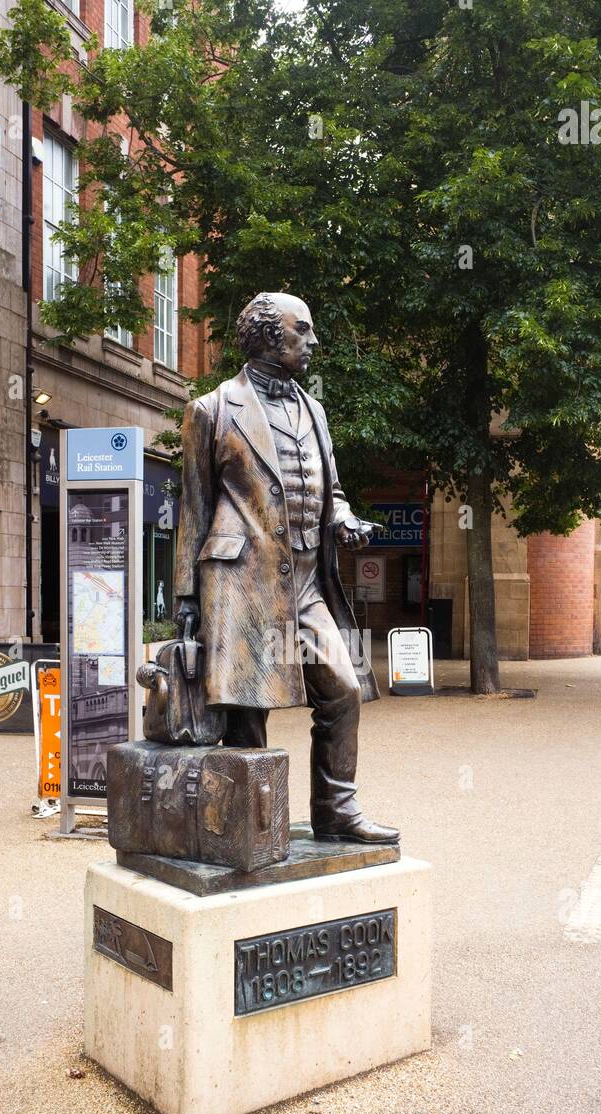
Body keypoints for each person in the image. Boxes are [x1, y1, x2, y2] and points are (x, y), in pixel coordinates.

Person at [173, 291, 398, 843]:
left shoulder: (314, 410)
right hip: (240, 581)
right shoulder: (212, 409)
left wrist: (344, 519)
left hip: (305, 580)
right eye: (304, 330)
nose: (313, 342)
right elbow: (194, 510)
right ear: (271, 337)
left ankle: (335, 810)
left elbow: (332, 491)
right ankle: (250, 827)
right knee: (248, 713)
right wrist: (185, 600)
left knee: (342, 689)